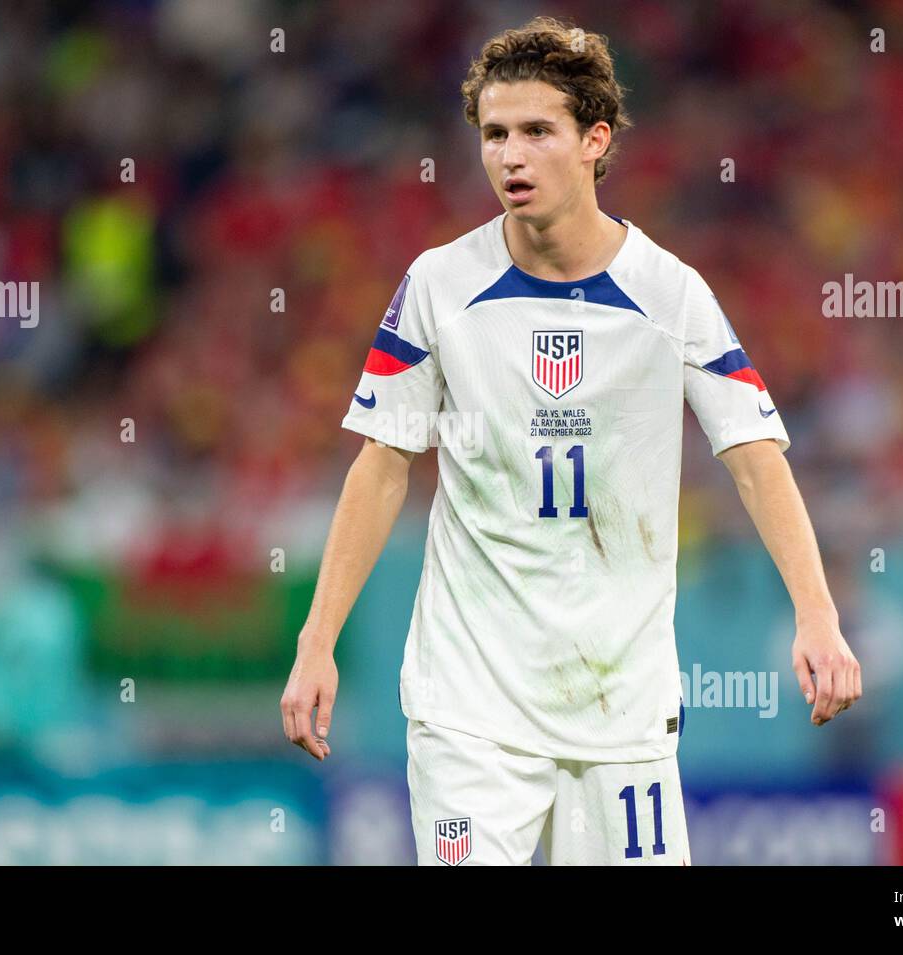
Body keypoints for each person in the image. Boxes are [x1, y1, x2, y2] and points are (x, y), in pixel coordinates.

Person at [281, 15, 861, 866]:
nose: (510, 156)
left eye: (537, 132)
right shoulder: (438, 286)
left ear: (595, 140)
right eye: (494, 134)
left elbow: (752, 455)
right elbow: (382, 464)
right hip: (468, 710)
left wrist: (817, 614)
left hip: (620, 710)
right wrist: (315, 639)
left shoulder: (670, 294)